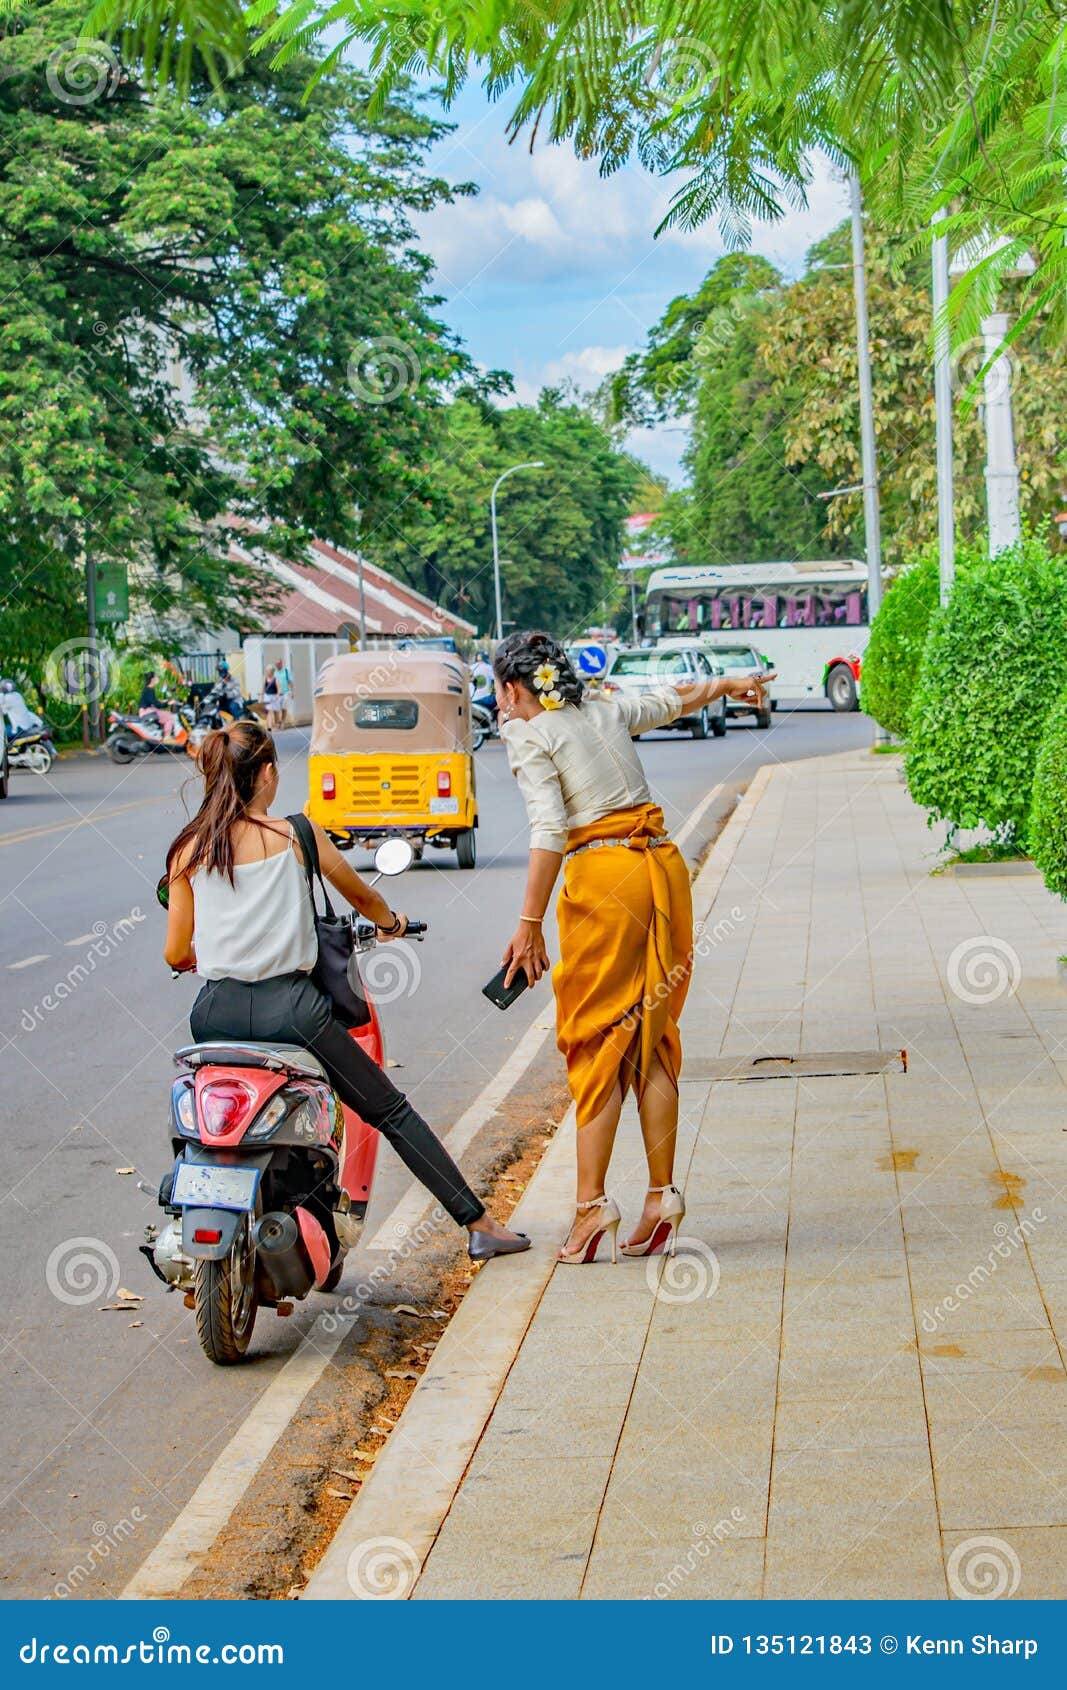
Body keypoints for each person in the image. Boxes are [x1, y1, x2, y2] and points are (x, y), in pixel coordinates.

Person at [163, 719, 529, 1263]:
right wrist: (395, 922)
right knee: (391, 1111)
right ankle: (478, 1224)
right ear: (266, 773)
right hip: (291, 1012)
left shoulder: (189, 849)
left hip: (212, 1013)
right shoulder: (297, 834)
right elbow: (365, 902)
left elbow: (175, 954)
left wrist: (212, 955)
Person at [495, 630, 773, 1265]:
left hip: (603, 883)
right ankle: (660, 1194)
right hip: (660, 872)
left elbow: (547, 828)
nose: (499, 704)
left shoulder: (528, 733)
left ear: (516, 688)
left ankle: (592, 1206)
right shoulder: (605, 709)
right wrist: (731, 684)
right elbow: (673, 698)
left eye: (500, 691)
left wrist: (529, 921)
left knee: (595, 1040)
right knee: (653, 1033)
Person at [138, 671, 178, 738]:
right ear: (152, 679)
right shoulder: (149, 690)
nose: (157, 679)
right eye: (156, 677)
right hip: (147, 712)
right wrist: (168, 703)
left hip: (147, 710)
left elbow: (152, 701)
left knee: (167, 714)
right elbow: (157, 704)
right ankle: (167, 737)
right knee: (170, 717)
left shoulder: (147, 689)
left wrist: (164, 701)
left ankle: (163, 734)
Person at [274, 659, 294, 726]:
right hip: (276, 694)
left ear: (281, 664)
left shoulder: (286, 671)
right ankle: (277, 723)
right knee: (276, 709)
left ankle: (283, 723)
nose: (277, 665)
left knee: (284, 708)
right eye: (276, 664)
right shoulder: (274, 673)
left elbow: (290, 682)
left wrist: (292, 692)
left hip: (285, 692)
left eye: (279, 664)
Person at [262, 665, 281, 732]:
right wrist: (262, 697)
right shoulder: (265, 678)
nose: (268, 672)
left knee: (276, 711)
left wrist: (278, 695)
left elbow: (279, 688)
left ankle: (276, 725)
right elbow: (263, 689)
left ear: (272, 671)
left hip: (274, 696)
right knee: (269, 711)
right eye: (267, 671)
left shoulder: (275, 679)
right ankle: (269, 727)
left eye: (269, 671)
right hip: (267, 696)